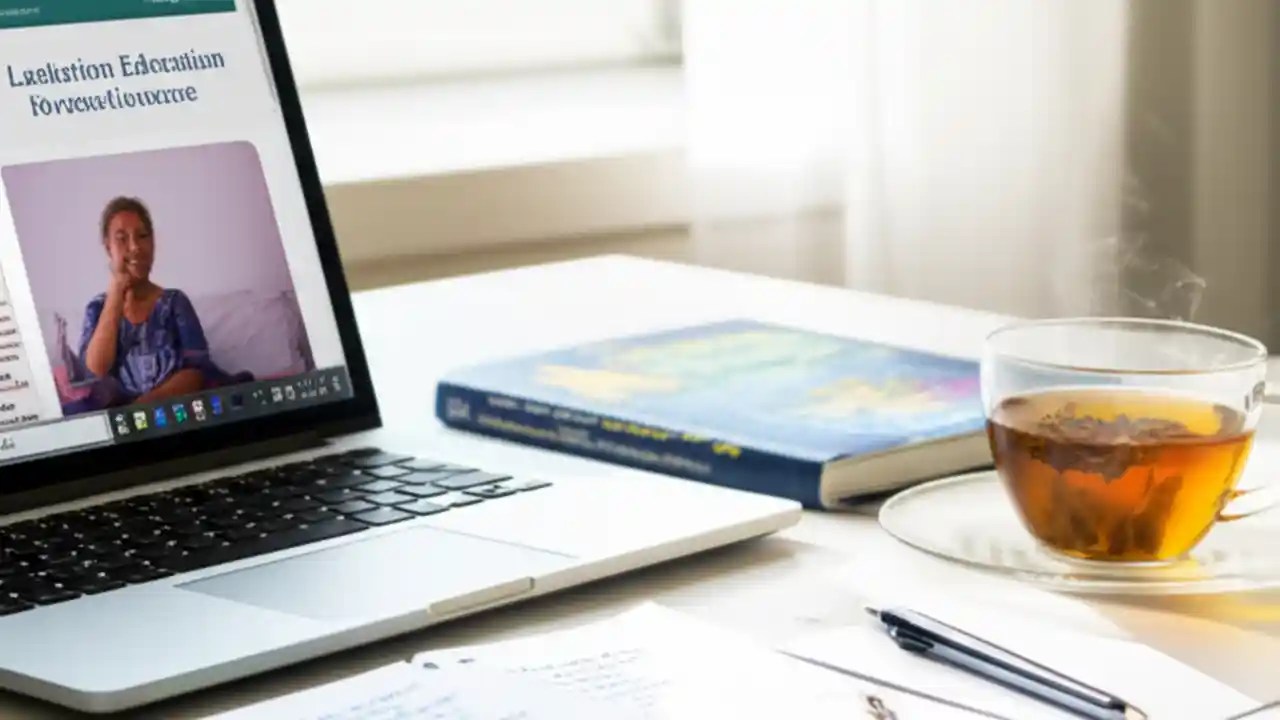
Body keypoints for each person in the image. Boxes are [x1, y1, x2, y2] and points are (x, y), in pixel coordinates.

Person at [74, 196, 237, 408]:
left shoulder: (174, 302)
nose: (134, 247)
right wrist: (116, 291)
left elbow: (197, 371)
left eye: (142, 236)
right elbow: (95, 370)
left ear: (153, 243)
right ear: (108, 248)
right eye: (122, 238)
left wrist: (143, 409)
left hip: (174, 411)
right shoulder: (97, 308)